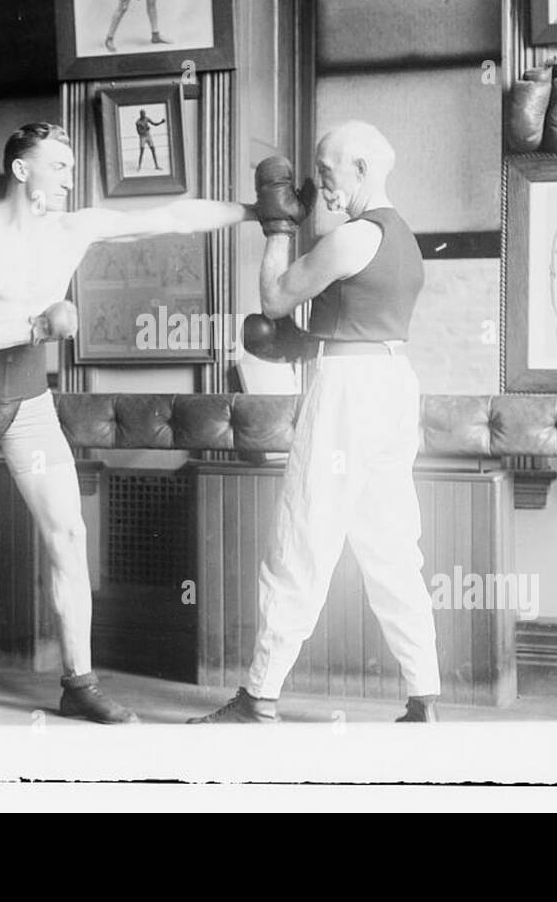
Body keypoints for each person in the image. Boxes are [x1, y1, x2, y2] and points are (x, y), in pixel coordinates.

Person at [0, 122, 250, 723]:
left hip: (29, 401)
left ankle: (78, 683)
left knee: (68, 535)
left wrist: (255, 210)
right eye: (58, 166)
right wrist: (35, 328)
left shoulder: (74, 230)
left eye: (72, 170)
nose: (68, 179)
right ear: (21, 169)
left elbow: (174, 216)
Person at [189, 121, 441, 725]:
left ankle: (258, 697)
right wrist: (304, 345)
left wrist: (277, 225)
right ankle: (424, 696)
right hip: (390, 386)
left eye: (328, 172)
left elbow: (275, 297)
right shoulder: (402, 237)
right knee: (392, 546)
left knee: (301, 536)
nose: (319, 185)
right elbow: (359, 319)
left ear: (362, 169)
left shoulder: (355, 237)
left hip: (348, 395)